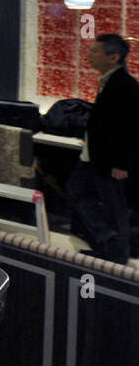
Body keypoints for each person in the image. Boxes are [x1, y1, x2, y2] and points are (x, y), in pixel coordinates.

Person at [66, 35, 139, 264]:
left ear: (113, 57)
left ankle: (117, 255)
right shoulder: (107, 80)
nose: (89, 54)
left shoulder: (125, 85)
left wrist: (122, 163)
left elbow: (131, 128)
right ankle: (109, 242)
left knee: (114, 207)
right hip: (93, 155)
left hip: (110, 160)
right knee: (77, 191)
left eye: (96, 51)